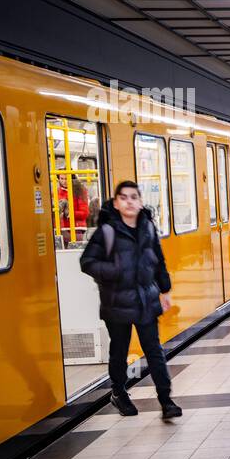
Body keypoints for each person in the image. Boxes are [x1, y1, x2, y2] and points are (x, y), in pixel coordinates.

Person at [79, 180, 181, 419]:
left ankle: (166, 400)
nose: (129, 201)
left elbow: (159, 259)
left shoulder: (148, 227)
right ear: (116, 202)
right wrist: (112, 272)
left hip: (145, 299)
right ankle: (118, 393)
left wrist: (164, 290)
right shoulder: (107, 231)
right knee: (119, 350)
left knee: (154, 350)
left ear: (140, 201)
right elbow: (87, 262)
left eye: (133, 197)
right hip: (117, 301)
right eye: (123, 197)